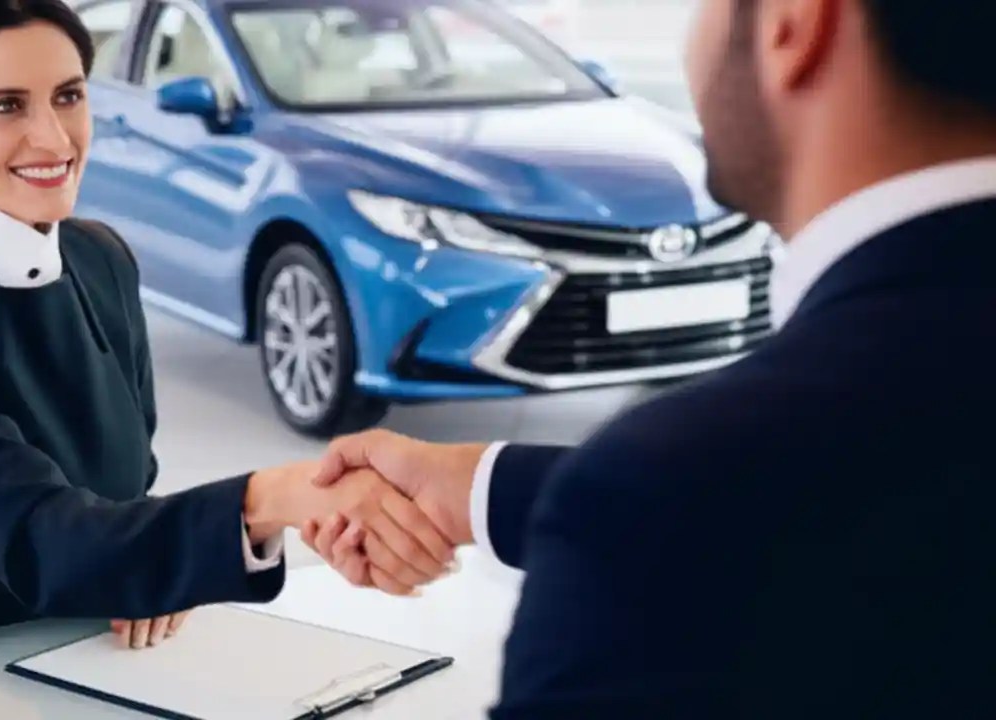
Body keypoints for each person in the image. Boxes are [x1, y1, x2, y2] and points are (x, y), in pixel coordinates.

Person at [306, 0, 996, 716]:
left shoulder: (660, 500)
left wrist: (612, 494)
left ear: (796, 23)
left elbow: (742, 501)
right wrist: (483, 487)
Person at [0, 0, 451, 656]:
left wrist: (147, 569)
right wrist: (279, 497)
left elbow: (126, 492)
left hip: (96, 658)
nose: (55, 139)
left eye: (69, 96)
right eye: (6, 105)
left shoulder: (101, 260)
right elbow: (39, 538)